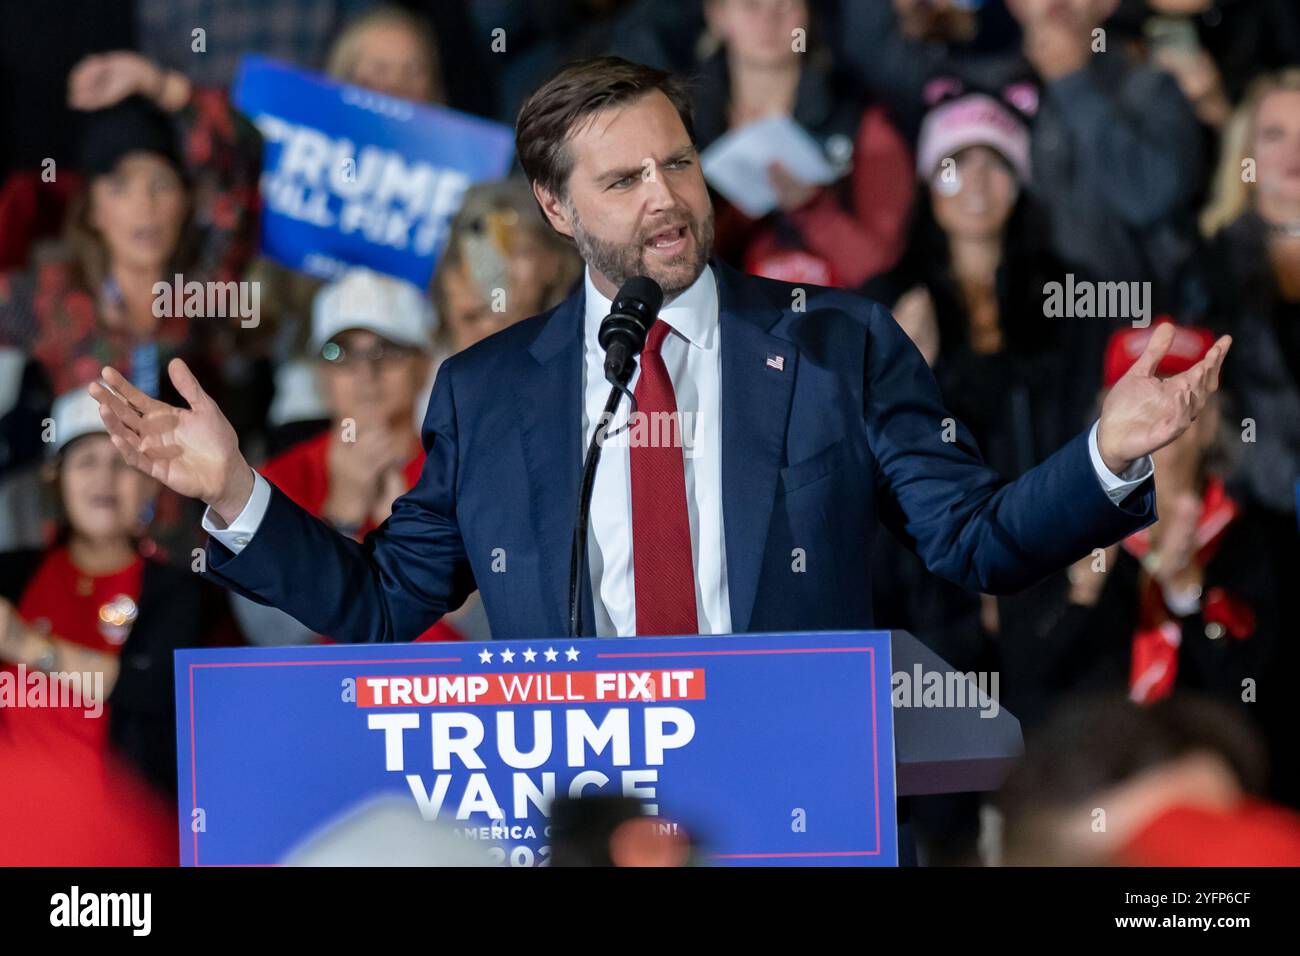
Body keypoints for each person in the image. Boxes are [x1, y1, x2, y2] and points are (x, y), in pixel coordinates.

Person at [91, 56, 1229, 646]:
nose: (666, 201)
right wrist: (237, 491)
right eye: (623, 181)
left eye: (677, 164)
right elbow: (388, 602)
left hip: (795, 801)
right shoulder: (486, 392)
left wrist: (1103, 454)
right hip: (580, 813)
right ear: (555, 210)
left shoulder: (838, 342)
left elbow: (974, 542)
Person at [0, 389, 234, 864]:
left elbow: (151, 687)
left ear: (150, 485)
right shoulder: (11, 574)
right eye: (85, 461)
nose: (104, 479)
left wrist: (24, 644)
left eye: (122, 463)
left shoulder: (179, 589)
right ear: (56, 480)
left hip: (120, 835)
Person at [229, 269, 476, 645]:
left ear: (425, 365)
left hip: (449, 694)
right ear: (319, 375)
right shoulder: (273, 481)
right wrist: (341, 517)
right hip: (323, 697)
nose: (366, 372)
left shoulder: (468, 474)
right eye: (340, 353)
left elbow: (504, 629)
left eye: (387, 351)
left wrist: (412, 541)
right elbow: (270, 635)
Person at [693, 0, 913, 288]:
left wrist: (811, 208)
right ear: (717, 15)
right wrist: (738, 215)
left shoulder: (860, 119)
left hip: (836, 315)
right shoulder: (683, 121)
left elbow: (881, 268)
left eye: (785, 6)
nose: (769, 21)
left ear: (809, 14)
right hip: (727, 319)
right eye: (750, 6)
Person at [1199, 69, 1300, 530]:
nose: (1293, 153)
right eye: (1275, 135)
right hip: (1249, 522)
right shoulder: (1204, 264)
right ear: (1247, 155)